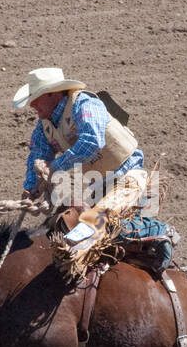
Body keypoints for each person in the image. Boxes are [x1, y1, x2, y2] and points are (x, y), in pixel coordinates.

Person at [12, 67, 148, 264]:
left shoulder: (85, 104)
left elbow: (92, 142)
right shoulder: (44, 127)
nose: (32, 104)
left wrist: (54, 167)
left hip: (128, 177)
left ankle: (158, 235)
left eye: (36, 98)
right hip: (97, 187)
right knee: (69, 227)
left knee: (92, 230)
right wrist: (32, 186)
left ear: (54, 94)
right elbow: (37, 156)